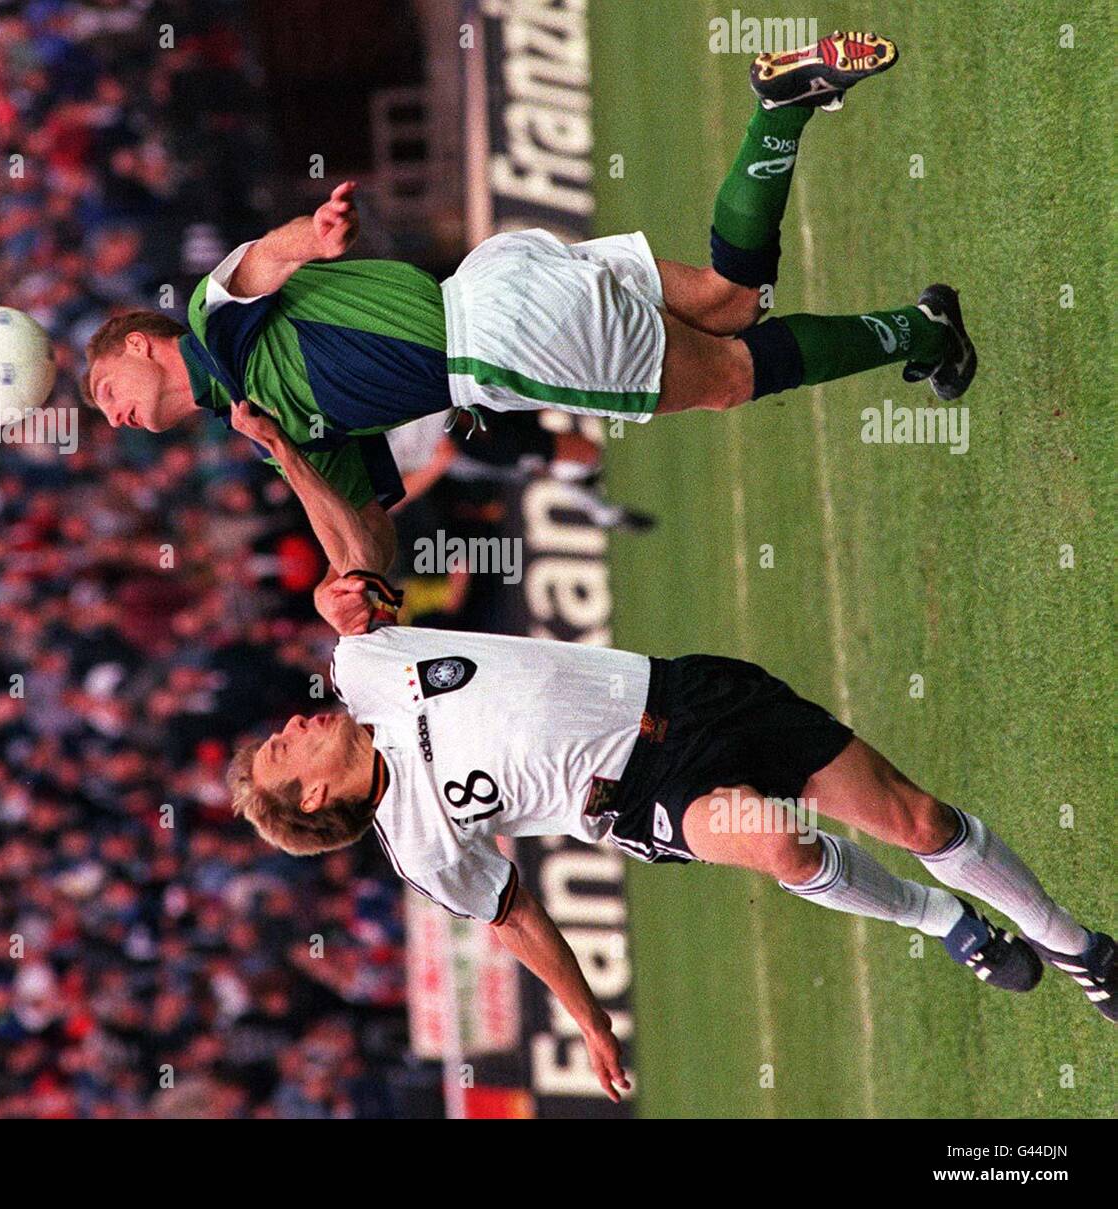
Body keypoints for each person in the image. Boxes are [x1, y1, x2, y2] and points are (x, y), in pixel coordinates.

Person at [221, 415, 1115, 1103]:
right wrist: (590, 1019)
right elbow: (515, 915)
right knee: (783, 845)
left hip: (685, 694)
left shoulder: (360, 667)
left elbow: (359, 550)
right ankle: (940, 921)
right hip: (646, 792)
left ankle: (1072, 944)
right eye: (280, 750)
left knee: (917, 818)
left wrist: (293, 471)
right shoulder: (418, 845)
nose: (291, 727)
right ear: (311, 793)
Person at [81, 31, 974, 599]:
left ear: (143, 343)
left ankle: (914, 314)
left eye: (106, 386)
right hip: (493, 279)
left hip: (493, 344)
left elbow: (255, 268)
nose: (111, 412)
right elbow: (370, 546)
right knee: (726, 299)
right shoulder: (261, 422)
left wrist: (308, 240)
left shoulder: (209, 328)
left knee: (731, 379)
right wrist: (289, 463)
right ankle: (789, 125)